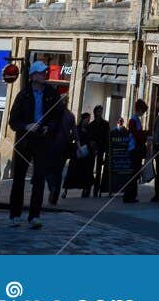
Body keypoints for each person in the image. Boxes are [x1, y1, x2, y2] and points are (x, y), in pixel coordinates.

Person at [7, 60, 68, 228]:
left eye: (45, 72)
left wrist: (49, 127)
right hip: (25, 140)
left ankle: (34, 216)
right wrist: (26, 126)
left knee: (39, 178)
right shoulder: (24, 94)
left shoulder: (52, 93)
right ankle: (15, 214)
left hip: (42, 139)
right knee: (19, 178)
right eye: (41, 72)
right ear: (33, 75)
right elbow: (13, 121)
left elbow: (58, 115)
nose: (44, 74)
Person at [123, 99, 149, 203]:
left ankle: (132, 195)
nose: (143, 113)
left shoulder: (136, 119)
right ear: (140, 109)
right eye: (143, 111)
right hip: (134, 149)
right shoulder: (134, 120)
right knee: (133, 173)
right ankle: (129, 196)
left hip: (135, 148)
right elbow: (135, 134)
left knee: (134, 173)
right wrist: (144, 135)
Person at [65, 112, 95, 198]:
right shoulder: (77, 129)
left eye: (89, 120)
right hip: (77, 153)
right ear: (83, 119)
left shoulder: (89, 129)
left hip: (86, 154)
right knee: (73, 171)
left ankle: (85, 190)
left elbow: (91, 139)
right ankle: (66, 190)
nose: (88, 121)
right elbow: (72, 138)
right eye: (87, 119)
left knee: (85, 173)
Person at [87, 105, 109, 196]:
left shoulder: (105, 124)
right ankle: (87, 188)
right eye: (98, 111)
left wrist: (106, 150)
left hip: (101, 149)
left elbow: (107, 137)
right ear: (95, 112)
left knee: (99, 170)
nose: (100, 113)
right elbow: (88, 137)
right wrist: (91, 142)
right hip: (92, 149)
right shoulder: (91, 125)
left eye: (101, 111)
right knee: (90, 170)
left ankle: (96, 189)